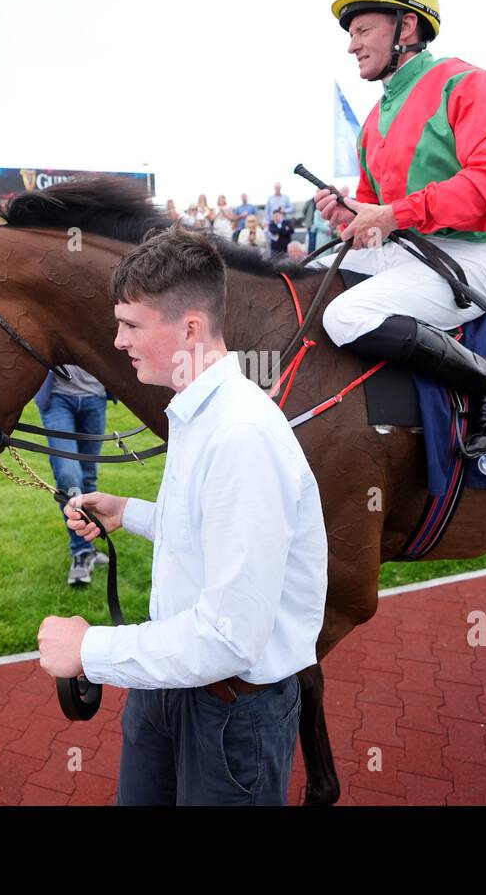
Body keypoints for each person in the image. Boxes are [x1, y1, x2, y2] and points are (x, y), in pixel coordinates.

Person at [36, 226, 327, 806]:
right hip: (172, 688)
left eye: (132, 325)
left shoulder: (239, 434)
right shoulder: (198, 409)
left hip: (229, 710)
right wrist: (129, 513)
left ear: (190, 328)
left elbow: (229, 639)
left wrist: (90, 649)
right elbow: (204, 530)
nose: (117, 341)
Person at [311, 0, 486, 456]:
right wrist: (352, 214)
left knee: (346, 317)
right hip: (401, 254)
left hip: (465, 260)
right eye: (352, 35)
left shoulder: (472, 85)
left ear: (406, 28)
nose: (352, 45)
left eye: (363, 30)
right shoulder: (373, 121)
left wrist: (389, 215)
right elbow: (377, 218)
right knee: (301, 281)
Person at [32, 368, 112, 585]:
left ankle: (88, 547)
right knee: (68, 476)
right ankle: (81, 551)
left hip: (95, 397)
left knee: (88, 479)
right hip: (58, 398)